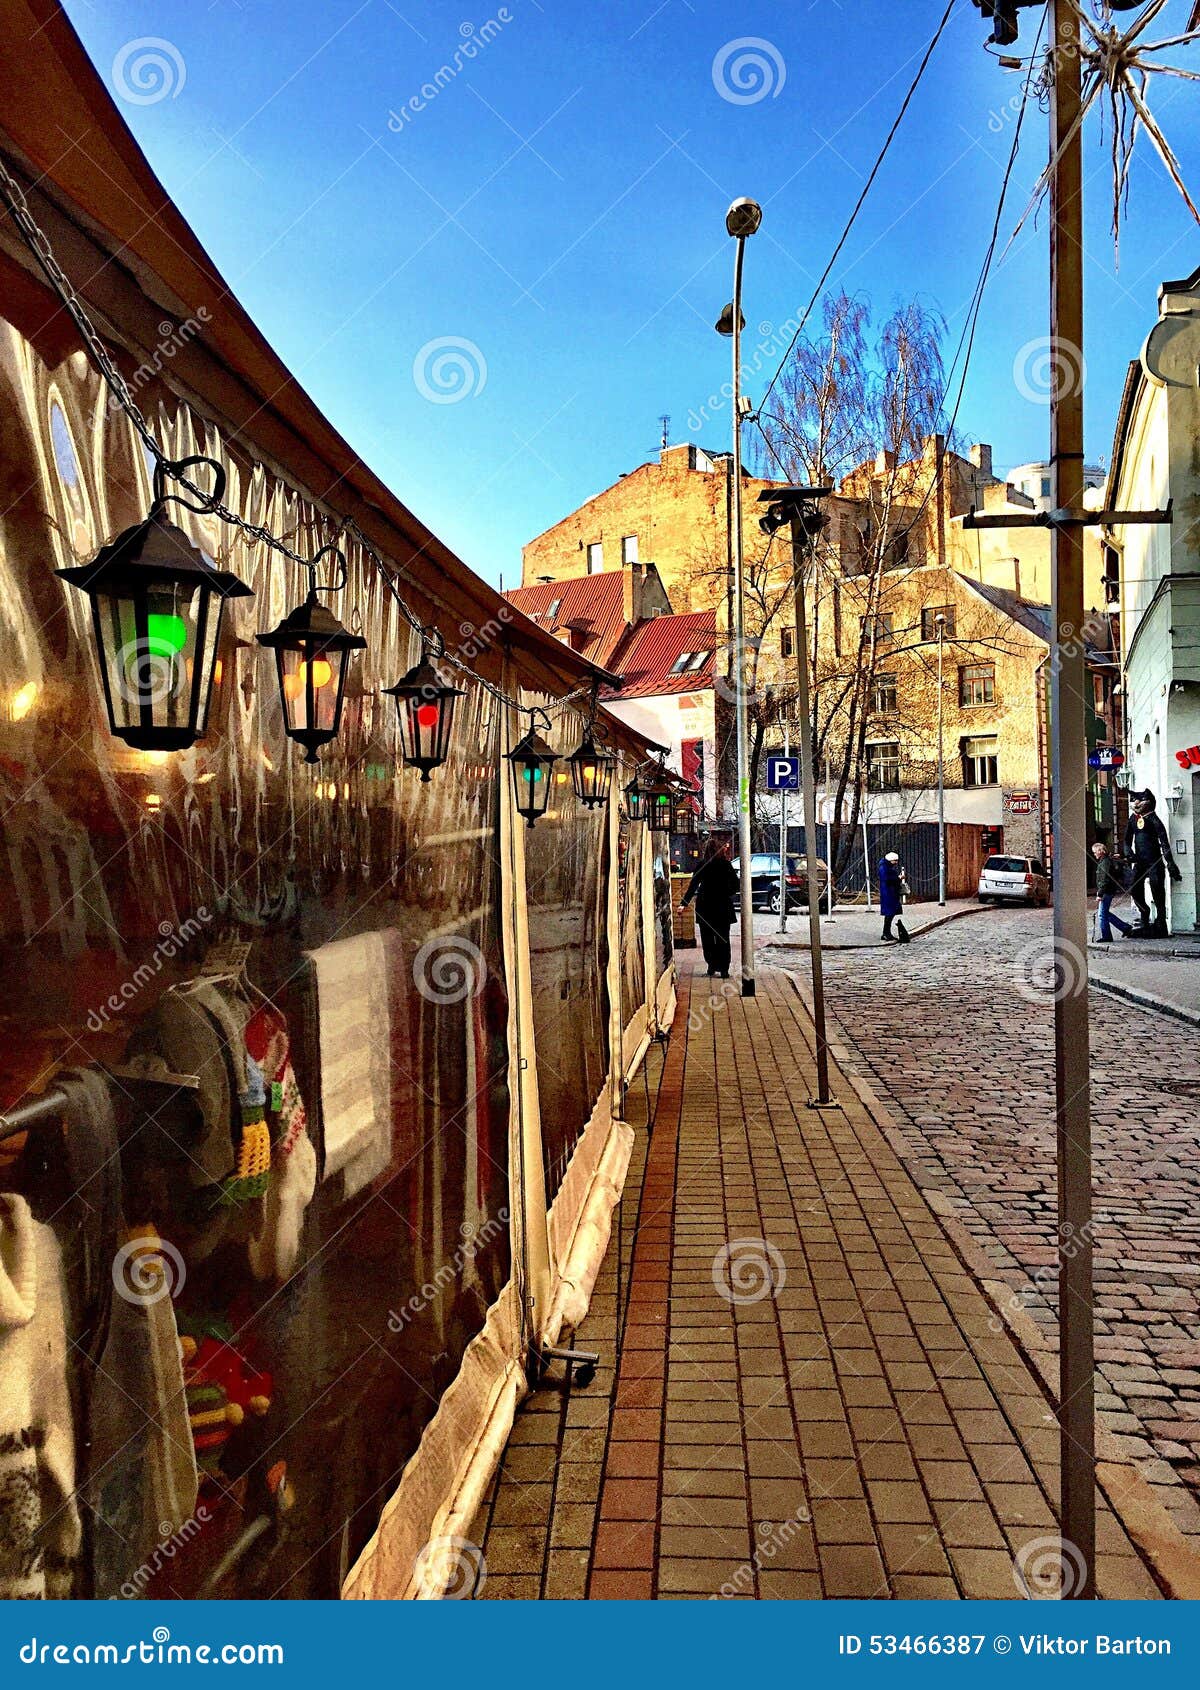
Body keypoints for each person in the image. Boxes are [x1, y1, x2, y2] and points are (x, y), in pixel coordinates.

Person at [1124, 790, 1181, 937]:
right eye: (1133, 800)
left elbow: (1164, 843)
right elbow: (1126, 840)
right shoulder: (1133, 819)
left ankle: (1160, 923)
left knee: (1157, 890)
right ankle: (1144, 914)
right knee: (1134, 888)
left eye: (1140, 799)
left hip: (1154, 861)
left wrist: (1170, 863)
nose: (1136, 803)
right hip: (1139, 862)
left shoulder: (1154, 819)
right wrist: (1128, 852)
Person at [681, 834, 738, 978]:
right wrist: (726, 893)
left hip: (705, 906)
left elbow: (693, 885)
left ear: (705, 851)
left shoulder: (702, 865)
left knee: (707, 939)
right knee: (723, 938)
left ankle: (711, 966)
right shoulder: (726, 865)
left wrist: (684, 904)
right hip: (723, 907)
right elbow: (736, 885)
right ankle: (724, 969)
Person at [1091, 841, 1132, 942]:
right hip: (1108, 890)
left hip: (1106, 891)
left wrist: (1100, 893)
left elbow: (1105, 879)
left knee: (1102, 915)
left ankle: (1107, 936)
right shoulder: (1105, 860)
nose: (1094, 854)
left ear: (1100, 851)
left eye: (1095, 852)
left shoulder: (1105, 862)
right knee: (1104, 913)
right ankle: (1125, 928)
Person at [878, 851, 910, 944]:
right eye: (895, 861)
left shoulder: (886, 867)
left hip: (890, 892)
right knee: (889, 912)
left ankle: (886, 932)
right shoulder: (884, 868)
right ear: (890, 860)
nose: (896, 862)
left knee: (890, 913)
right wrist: (898, 878)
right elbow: (887, 879)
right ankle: (886, 933)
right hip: (888, 893)